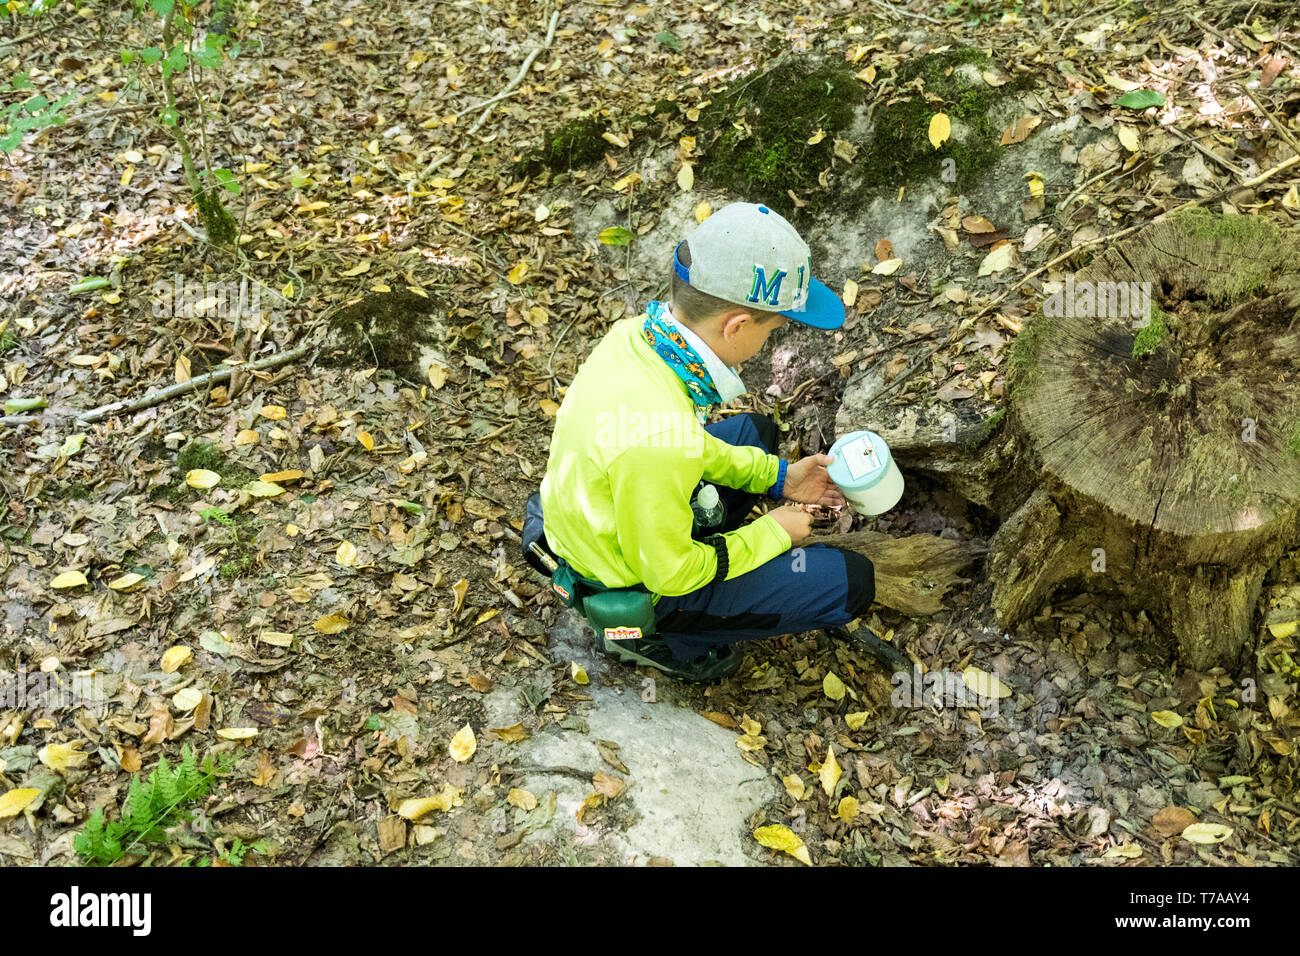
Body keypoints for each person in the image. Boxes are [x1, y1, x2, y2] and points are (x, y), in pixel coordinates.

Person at [523, 202, 875, 683]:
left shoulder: (636, 338)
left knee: (757, 434)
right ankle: (652, 638)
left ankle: (705, 550)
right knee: (851, 583)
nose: (771, 343)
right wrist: (774, 533)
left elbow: (685, 443)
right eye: (772, 330)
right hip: (639, 581)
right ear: (736, 326)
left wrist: (778, 477)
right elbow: (673, 574)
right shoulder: (658, 440)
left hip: (604, 514)